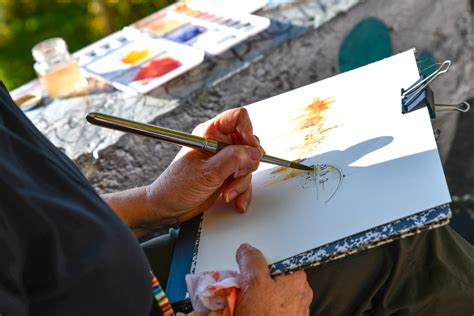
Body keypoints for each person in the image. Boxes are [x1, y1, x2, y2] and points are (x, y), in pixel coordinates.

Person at [0, 79, 473, 316]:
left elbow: (36, 224)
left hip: (131, 282)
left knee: (398, 242)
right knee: (406, 255)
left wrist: (150, 204)